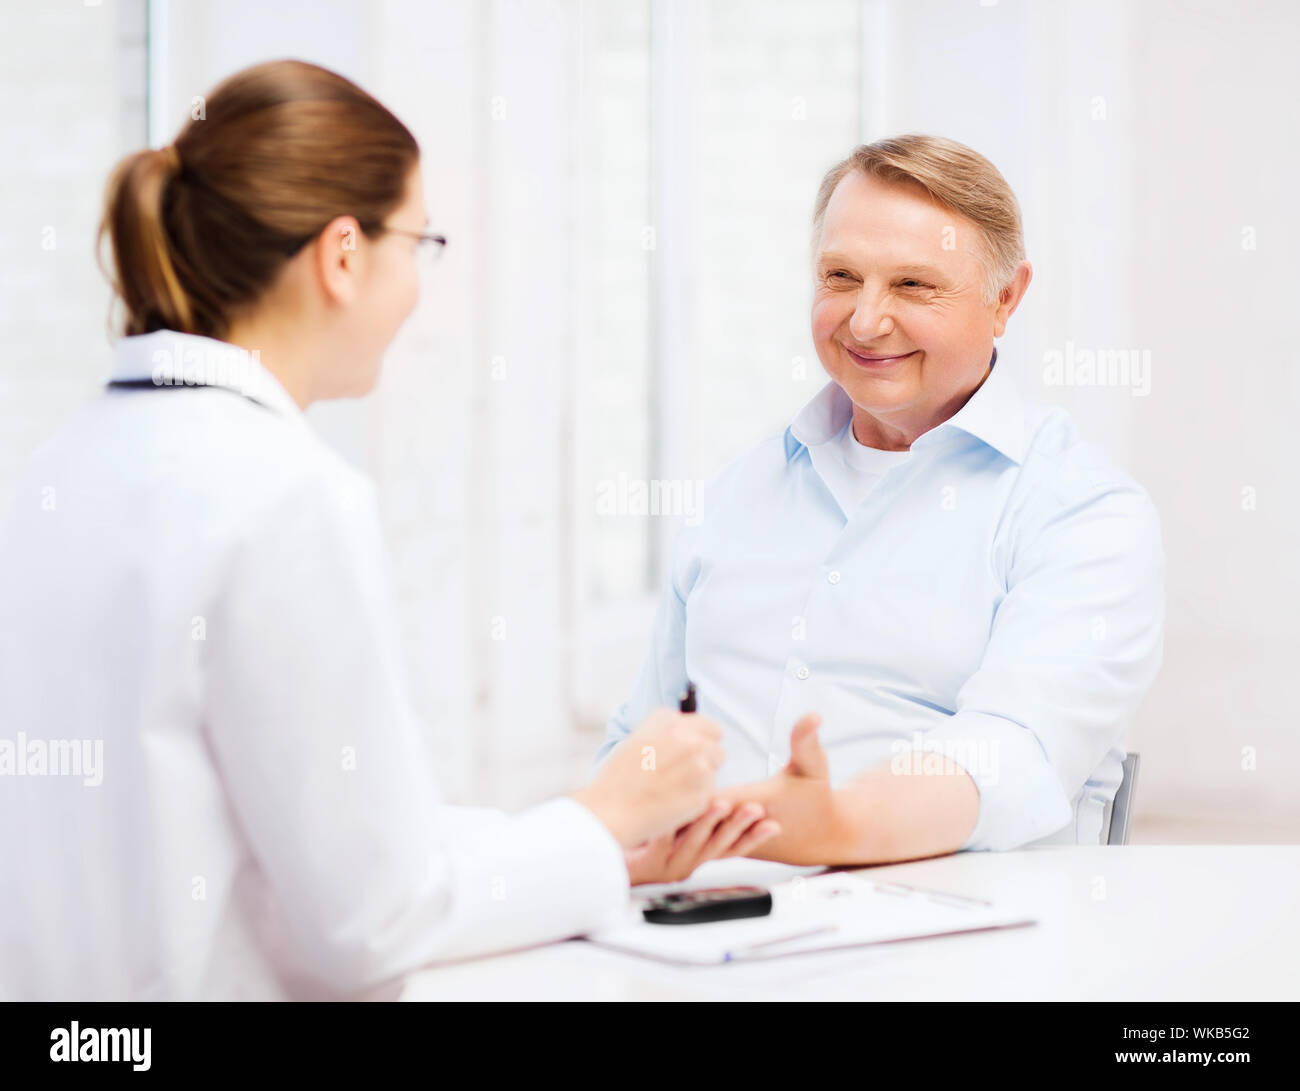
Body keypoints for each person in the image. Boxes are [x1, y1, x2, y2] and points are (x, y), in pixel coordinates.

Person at [0, 59, 777, 1002]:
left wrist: (596, 829)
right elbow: (375, 924)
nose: (418, 283)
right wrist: (601, 823)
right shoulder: (288, 496)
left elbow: (302, 847)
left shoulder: (54, 470)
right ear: (342, 254)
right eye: (421, 241)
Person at [598, 134, 1165, 865]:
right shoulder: (741, 489)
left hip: (958, 943)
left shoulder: (1085, 514)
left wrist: (832, 828)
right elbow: (640, 736)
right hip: (709, 930)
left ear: (1006, 298)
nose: (865, 321)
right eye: (841, 276)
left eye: (912, 285)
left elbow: (1015, 749)